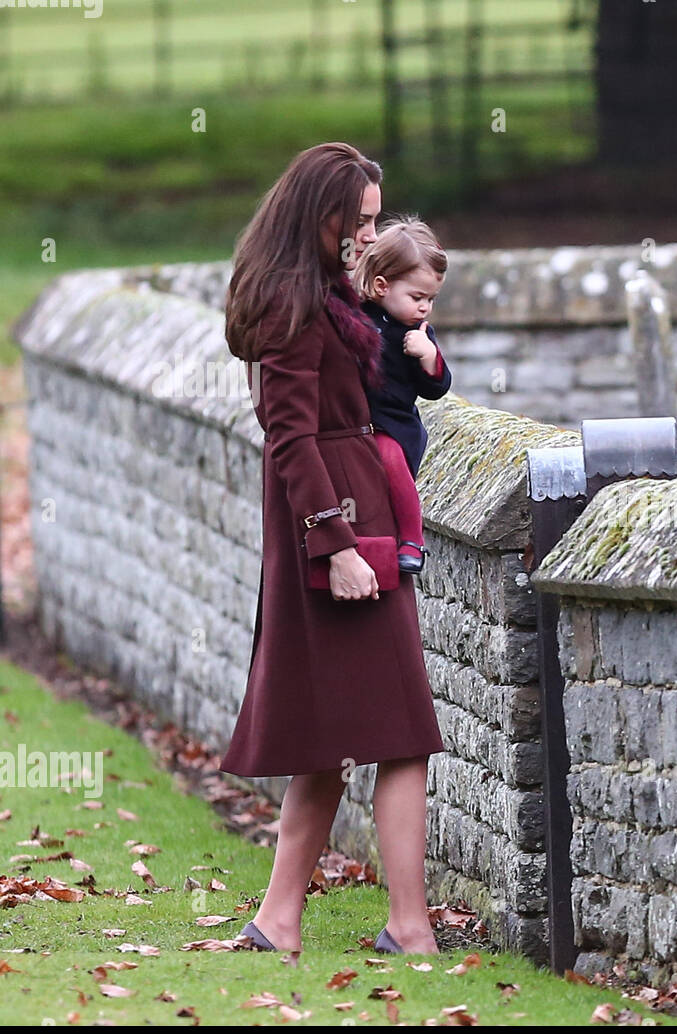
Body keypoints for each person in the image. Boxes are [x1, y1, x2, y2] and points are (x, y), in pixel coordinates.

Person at [220, 142, 443, 956]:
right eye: (361, 222)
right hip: (340, 528)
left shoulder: (318, 292)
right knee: (401, 733)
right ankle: (410, 927)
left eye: (376, 222)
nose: (369, 236)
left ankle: (279, 922)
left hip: (351, 517)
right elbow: (289, 437)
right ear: (320, 217)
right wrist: (337, 546)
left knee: (330, 734)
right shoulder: (290, 303)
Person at [351, 217, 454, 574]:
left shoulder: (419, 334)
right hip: (355, 420)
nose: (425, 307)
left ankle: (412, 538)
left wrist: (428, 356)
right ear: (381, 286)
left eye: (431, 299)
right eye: (417, 297)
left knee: (390, 459)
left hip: (394, 425)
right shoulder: (356, 316)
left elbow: (436, 389)